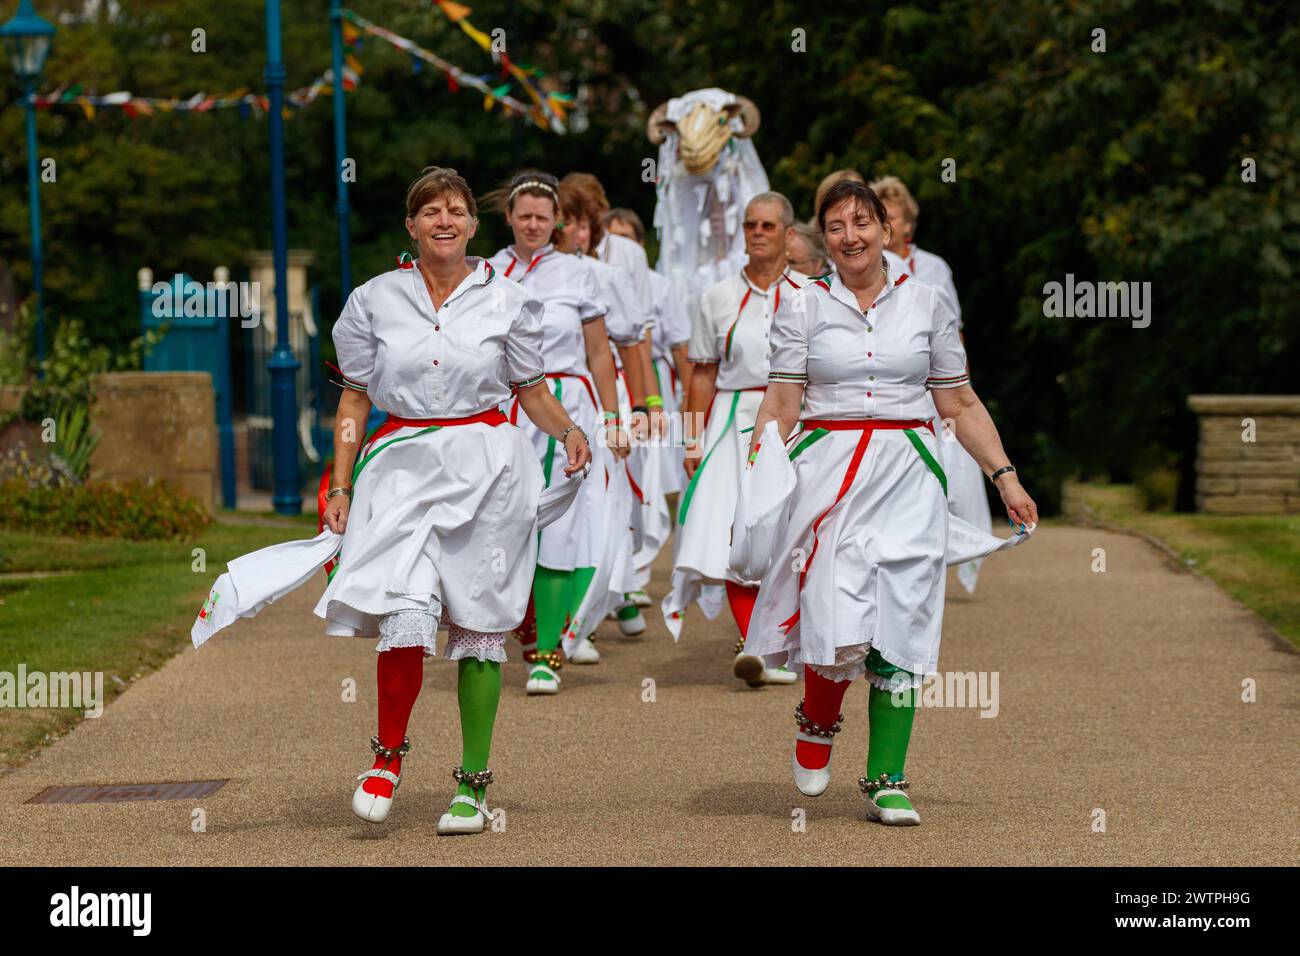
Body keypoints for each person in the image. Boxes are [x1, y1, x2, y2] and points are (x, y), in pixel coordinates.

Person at [195, 167, 592, 836]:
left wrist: (571, 430)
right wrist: (342, 484)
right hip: (403, 473)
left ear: (472, 226)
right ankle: (386, 756)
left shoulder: (508, 301)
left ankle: (471, 784)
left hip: (489, 470)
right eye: (431, 210)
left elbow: (531, 391)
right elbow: (354, 399)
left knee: (478, 629)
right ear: (411, 226)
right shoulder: (373, 300)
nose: (445, 220)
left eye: (457, 211)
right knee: (406, 612)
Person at [744, 179, 1037, 825]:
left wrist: (1005, 476)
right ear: (825, 236)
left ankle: (887, 779)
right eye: (838, 226)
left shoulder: (928, 302)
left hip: (908, 474)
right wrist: (759, 463)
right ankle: (817, 718)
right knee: (833, 607)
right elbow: (783, 401)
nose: (851, 237)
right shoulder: (801, 306)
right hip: (830, 473)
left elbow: (957, 401)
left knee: (903, 617)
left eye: (863, 223)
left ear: (885, 228)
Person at [484, 171, 634, 693]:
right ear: (508, 217)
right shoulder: (487, 271)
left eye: (541, 218)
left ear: (557, 224)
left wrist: (614, 419)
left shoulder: (578, 272)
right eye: (523, 215)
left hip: (568, 403)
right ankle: (507, 631)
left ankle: (550, 649)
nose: (531, 224)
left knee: (565, 525)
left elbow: (599, 352)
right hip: (504, 406)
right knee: (503, 519)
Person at [661, 191, 805, 687]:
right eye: (750, 225)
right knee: (731, 526)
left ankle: (783, 643)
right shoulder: (717, 297)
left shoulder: (813, 292)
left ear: (788, 234)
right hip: (732, 417)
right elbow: (699, 376)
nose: (757, 233)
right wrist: (691, 441)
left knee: (790, 530)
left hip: (795, 418)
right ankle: (753, 644)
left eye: (767, 225)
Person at [872, 174, 992, 593]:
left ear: (908, 224)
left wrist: (960, 394)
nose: (887, 223)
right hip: (891, 388)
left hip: (933, 385)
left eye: (894, 216)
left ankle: (935, 557)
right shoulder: (859, 271)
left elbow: (953, 331)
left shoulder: (935, 268)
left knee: (947, 475)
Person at [604, 207, 692, 612]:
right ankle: (613, 572)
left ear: (640, 245)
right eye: (610, 236)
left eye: (626, 237)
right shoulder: (591, 275)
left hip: (649, 381)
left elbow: (678, 346)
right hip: (605, 381)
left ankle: (637, 571)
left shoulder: (659, 286)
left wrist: (688, 411)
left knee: (646, 477)